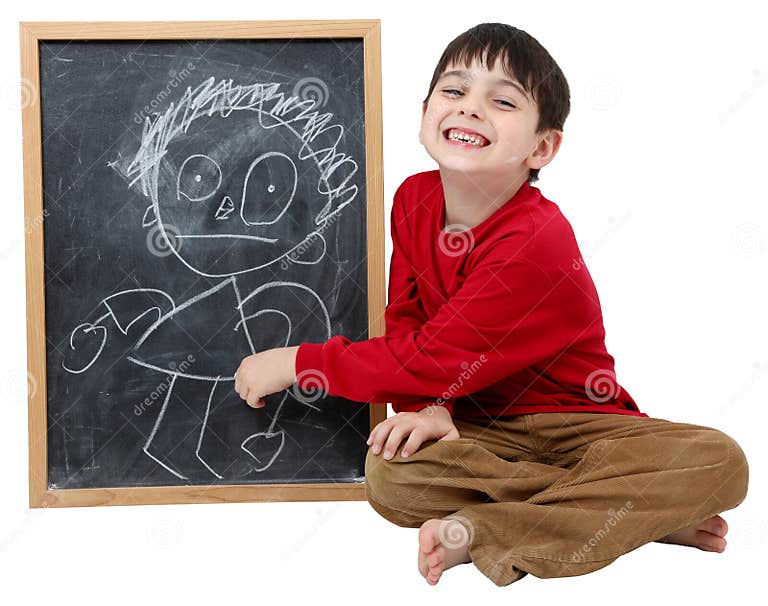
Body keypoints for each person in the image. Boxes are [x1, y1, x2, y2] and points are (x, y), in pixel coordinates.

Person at [233, 22, 750, 587]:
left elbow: (434, 354)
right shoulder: (413, 199)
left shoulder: (534, 240)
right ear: (425, 113)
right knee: (391, 476)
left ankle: (489, 532)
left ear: (542, 147)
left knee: (721, 462)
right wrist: (430, 406)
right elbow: (407, 320)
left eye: (502, 101)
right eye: (454, 91)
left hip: (578, 427)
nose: (470, 108)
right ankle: (630, 513)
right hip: (480, 430)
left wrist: (299, 362)